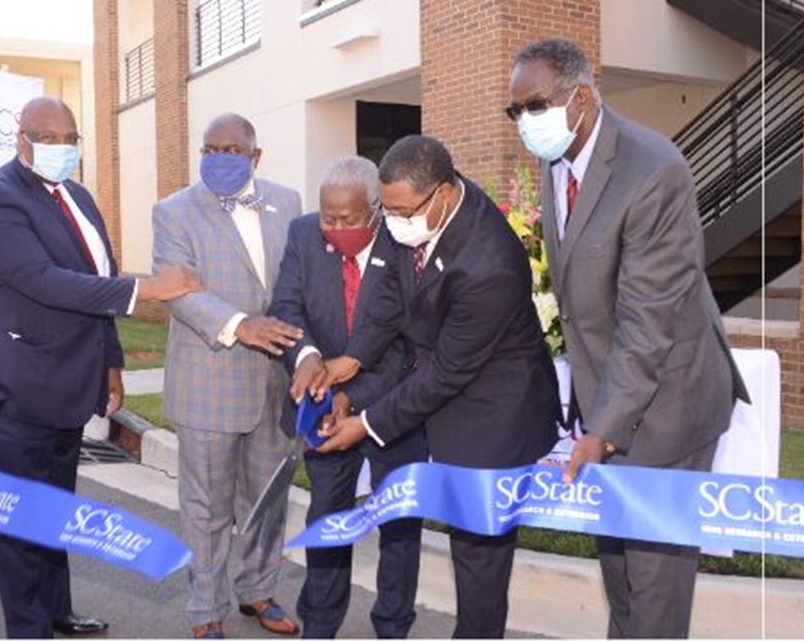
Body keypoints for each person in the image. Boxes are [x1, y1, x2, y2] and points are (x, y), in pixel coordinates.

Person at [506, 39, 752, 638]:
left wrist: (603, 431)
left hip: (669, 406)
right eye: (515, 112)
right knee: (617, 569)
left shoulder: (653, 169)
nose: (524, 124)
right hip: (610, 401)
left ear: (581, 98)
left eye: (533, 106)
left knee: (655, 585)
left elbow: (648, 320)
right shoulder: (556, 160)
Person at [0, 96, 202, 638]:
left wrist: (111, 363)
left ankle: (57, 613)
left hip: (66, 388)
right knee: (18, 526)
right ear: (21, 139)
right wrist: (145, 289)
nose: (62, 148)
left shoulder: (80, 199)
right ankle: (29, 629)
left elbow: (93, 287)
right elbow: (43, 280)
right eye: (49, 138)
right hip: (11, 393)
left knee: (52, 513)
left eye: (71, 139)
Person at [311, 135, 561, 638]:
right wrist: (353, 361)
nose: (393, 221)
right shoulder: (412, 217)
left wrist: (365, 423)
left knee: (477, 556)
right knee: (460, 542)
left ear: (443, 194)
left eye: (403, 210)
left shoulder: (489, 263)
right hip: (439, 394)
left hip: (493, 418)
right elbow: (388, 301)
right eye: (388, 208)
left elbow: (446, 372)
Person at [151, 113, 305, 640]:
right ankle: (205, 610)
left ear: (255, 157)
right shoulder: (173, 211)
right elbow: (178, 290)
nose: (219, 158)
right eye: (210, 149)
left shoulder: (288, 202)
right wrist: (241, 326)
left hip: (275, 384)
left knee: (266, 500)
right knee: (207, 508)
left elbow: (300, 279)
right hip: (209, 383)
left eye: (232, 150)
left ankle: (258, 590)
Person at [267, 156, 428, 639]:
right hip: (322, 409)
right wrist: (308, 357)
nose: (334, 228)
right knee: (327, 519)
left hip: (392, 408)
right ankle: (320, 625)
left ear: (375, 211)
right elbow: (286, 306)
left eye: (348, 219)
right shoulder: (302, 235)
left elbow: (408, 340)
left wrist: (353, 396)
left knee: (399, 526)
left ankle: (393, 627)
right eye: (327, 217)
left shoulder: (404, 243)